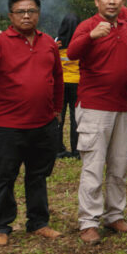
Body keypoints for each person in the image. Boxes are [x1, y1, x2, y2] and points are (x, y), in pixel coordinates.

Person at [0, 0, 64, 247]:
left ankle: (38, 222)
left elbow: (57, 78)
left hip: (43, 124)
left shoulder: (48, 44)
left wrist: (56, 109)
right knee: (4, 177)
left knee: (38, 176)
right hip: (9, 126)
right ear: (10, 16)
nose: (26, 16)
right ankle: (1, 226)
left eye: (31, 11)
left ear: (38, 14)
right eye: (20, 11)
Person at [67, 0, 127, 245]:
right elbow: (72, 53)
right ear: (97, 1)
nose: (112, 1)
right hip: (94, 107)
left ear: (122, 1)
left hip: (123, 107)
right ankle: (89, 222)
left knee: (119, 165)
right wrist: (91, 36)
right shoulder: (87, 26)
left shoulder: (125, 28)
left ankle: (114, 215)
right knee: (93, 167)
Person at [56, 14, 81, 159]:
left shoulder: (56, 42)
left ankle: (58, 149)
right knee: (76, 118)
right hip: (77, 83)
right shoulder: (80, 42)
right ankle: (76, 150)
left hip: (60, 83)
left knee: (58, 116)